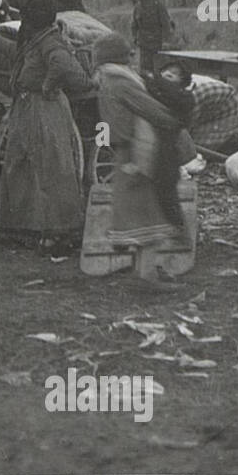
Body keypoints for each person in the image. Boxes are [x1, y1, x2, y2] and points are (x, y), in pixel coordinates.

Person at [0, 0, 93, 253]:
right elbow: (16, 53)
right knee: (20, 165)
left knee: (51, 168)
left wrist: (49, 84)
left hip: (44, 109)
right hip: (27, 109)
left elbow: (66, 68)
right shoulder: (37, 39)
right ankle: (26, 227)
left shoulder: (50, 41)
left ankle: (57, 232)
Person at [92, 34, 186, 291]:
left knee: (139, 217)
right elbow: (152, 110)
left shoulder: (106, 80)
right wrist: (175, 120)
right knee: (149, 217)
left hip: (124, 153)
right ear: (120, 58)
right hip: (138, 152)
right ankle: (147, 277)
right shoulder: (122, 82)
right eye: (128, 55)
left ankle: (142, 270)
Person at [142, 61, 195, 229]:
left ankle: (178, 231)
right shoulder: (156, 90)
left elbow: (171, 95)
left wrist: (153, 78)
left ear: (182, 82)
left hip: (167, 150)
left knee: (166, 191)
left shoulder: (183, 97)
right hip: (153, 147)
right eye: (166, 72)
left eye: (174, 75)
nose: (168, 75)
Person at [130, 0, 174, 75]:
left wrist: (166, 41)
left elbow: (166, 24)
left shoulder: (157, 4)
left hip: (157, 45)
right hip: (144, 47)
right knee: (145, 73)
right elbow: (134, 26)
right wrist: (135, 39)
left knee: (160, 72)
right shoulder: (137, 8)